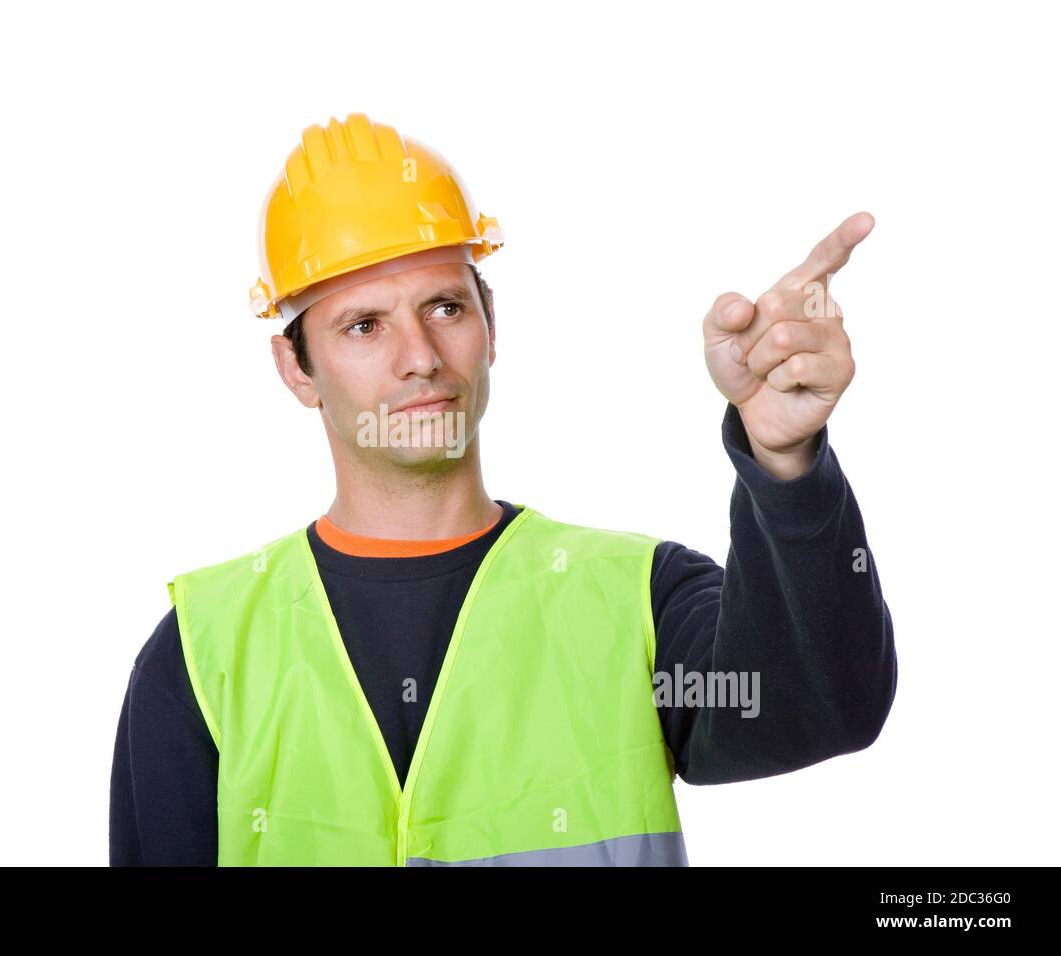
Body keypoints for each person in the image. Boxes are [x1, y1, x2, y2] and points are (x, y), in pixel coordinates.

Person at [109, 112, 897, 866]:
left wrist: (785, 462)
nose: (420, 356)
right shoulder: (201, 652)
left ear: (491, 321)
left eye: (445, 306)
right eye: (364, 326)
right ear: (296, 369)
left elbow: (825, 707)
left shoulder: (637, 602)